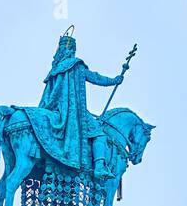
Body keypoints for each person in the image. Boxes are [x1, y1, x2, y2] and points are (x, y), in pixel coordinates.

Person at [23, 27, 127, 178]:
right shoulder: (76, 65)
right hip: (74, 112)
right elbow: (96, 78)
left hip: (54, 109)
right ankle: (99, 167)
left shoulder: (54, 70)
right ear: (72, 49)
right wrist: (115, 80)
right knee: (99, 134)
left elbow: (47, 96)